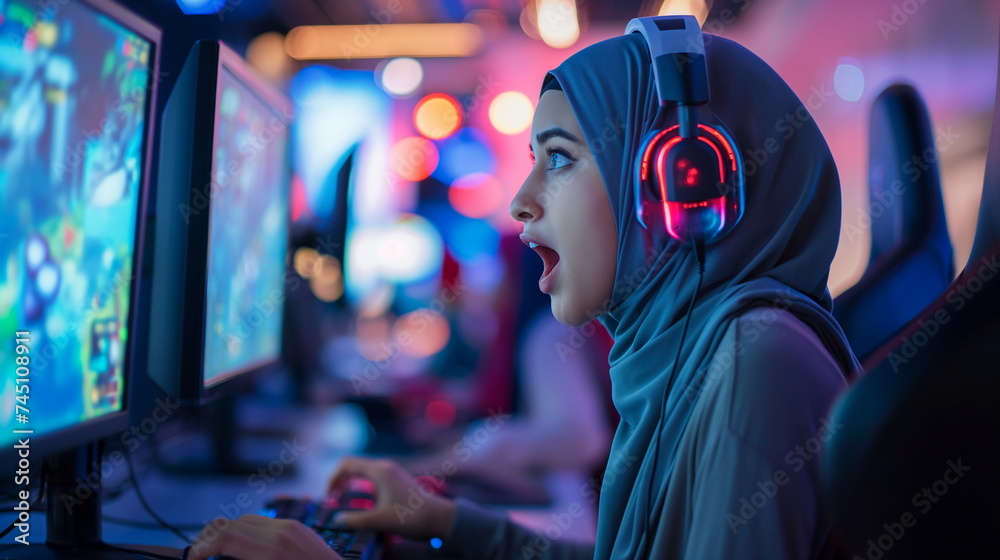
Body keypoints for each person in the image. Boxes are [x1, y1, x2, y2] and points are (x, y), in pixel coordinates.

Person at [188, 25, 860, 560]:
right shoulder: (691, 356)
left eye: (560, 159)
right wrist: (445, 521)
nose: (521, 201)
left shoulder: (755, 366)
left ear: (681, 187)